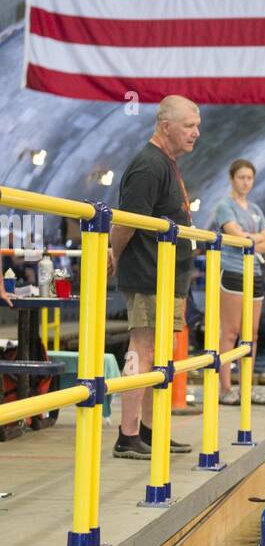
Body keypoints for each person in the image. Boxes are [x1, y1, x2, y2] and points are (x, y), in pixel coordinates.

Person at [109, 95, 199, 459]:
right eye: (189, 126)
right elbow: (127, 222)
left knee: (157, 355)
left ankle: (147, 431)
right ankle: (127, 434)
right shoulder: (149, 166)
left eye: (198, 127)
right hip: (149, 276)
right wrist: (115, 255)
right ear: (166, 127)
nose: (196, 134)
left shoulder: (165, 163)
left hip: (165, 278)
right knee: (142, 350)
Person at [209, 158, 265, 407]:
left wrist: (252, 238)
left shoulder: (256, 210)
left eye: (249, 178)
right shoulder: (225, 206)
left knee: (252, 334)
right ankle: (226, 388)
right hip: (233, 272)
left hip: (254, 273)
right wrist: (256, 238)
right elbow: (236, 236)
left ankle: (246, 387)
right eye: (241, 177)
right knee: (230, 332)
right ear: (232, 179)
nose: (246, 182)